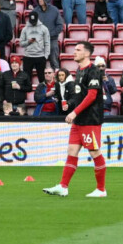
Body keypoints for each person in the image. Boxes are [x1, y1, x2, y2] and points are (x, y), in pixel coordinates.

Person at [43, 42, 108, 198]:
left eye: (78, 50)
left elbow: (92, 96)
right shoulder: (79, 70)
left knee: (94, 152)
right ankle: (63, 186)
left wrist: (74, 112)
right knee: (72, 151)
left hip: (90, 119)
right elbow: (80, 95)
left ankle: (101, 189)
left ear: (86, 53)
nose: (74, 52)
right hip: (79, 119)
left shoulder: (93, 71)